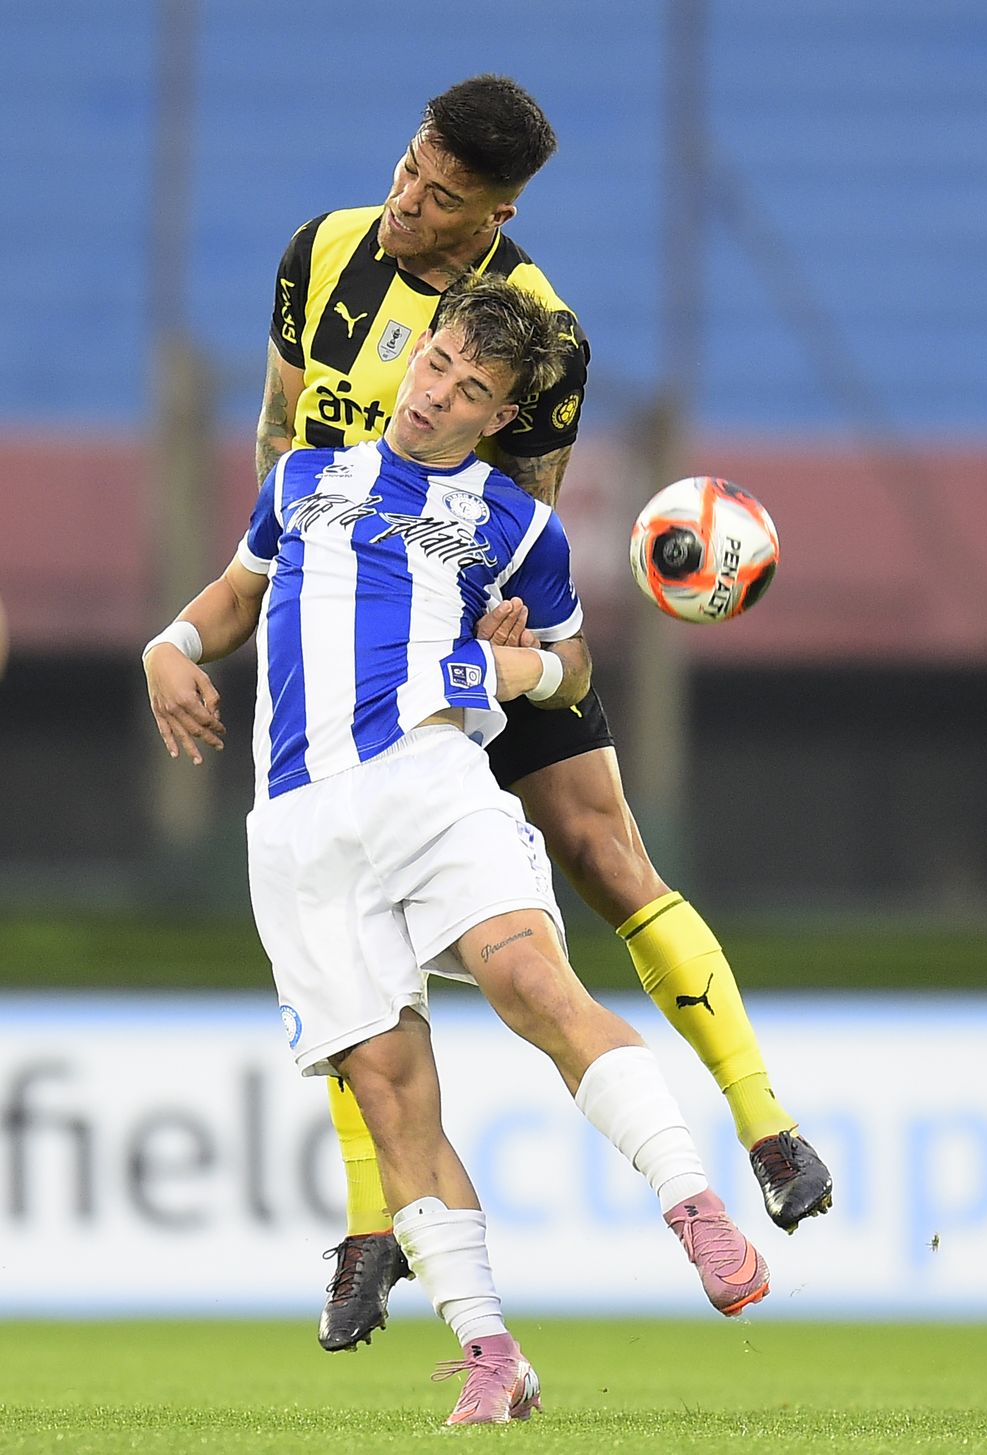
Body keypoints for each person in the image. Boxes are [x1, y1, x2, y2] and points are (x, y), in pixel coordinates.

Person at [256, 73, 831, 1353]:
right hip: (340, 612)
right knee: (345, 931)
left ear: (496, 214)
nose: (407, 200)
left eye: (440, 197)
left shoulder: (538, 333)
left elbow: (525, 512)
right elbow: (280, 430)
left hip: (478, 629)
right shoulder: (323, 252)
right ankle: (370, 1230)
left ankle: (764, 1126)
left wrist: (507, 648)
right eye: (408, 168)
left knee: (602, 852)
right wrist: (300, 582)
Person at [144, 277, 770, 1424]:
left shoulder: (513, 525)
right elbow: (237, 596)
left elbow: (572, 669)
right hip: (293, 823)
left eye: (468, 391)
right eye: (434, 367)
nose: (433, 397)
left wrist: (507, 669)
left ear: (496, 417)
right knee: (389, 1095)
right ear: (418, 352)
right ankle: (492, 1356)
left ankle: (692, 1205)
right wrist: (172, 643)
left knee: (531, 980)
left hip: (430, 779)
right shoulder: (298, 479)